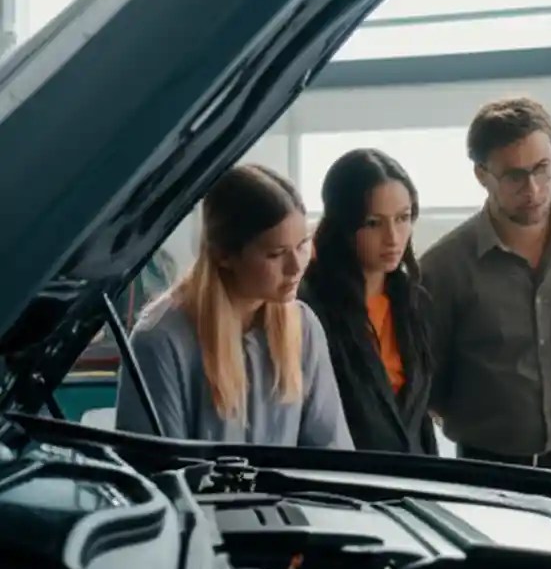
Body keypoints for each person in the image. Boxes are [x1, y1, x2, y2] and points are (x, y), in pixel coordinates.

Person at [418, 96, 551, 481]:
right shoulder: (443, 267)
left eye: (542, 169)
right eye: (514, 176)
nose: (532, 189)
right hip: (490, 476)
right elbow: (431, 385)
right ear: (482, 174)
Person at [115, 164, 354, 450]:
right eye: (276, 254)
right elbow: (158, 466)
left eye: (302, 245)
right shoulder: (160, 340)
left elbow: (332, 451)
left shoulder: (303, 326)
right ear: (223, 255)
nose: (295, 267)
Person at [299, 148, 437, 455]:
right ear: (344, 224)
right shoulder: (311, 310)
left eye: (403, 218)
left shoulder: (411, 301)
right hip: (348, 475)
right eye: (374, 223)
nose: (393, 237)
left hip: (414, 475)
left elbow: (418, 418)